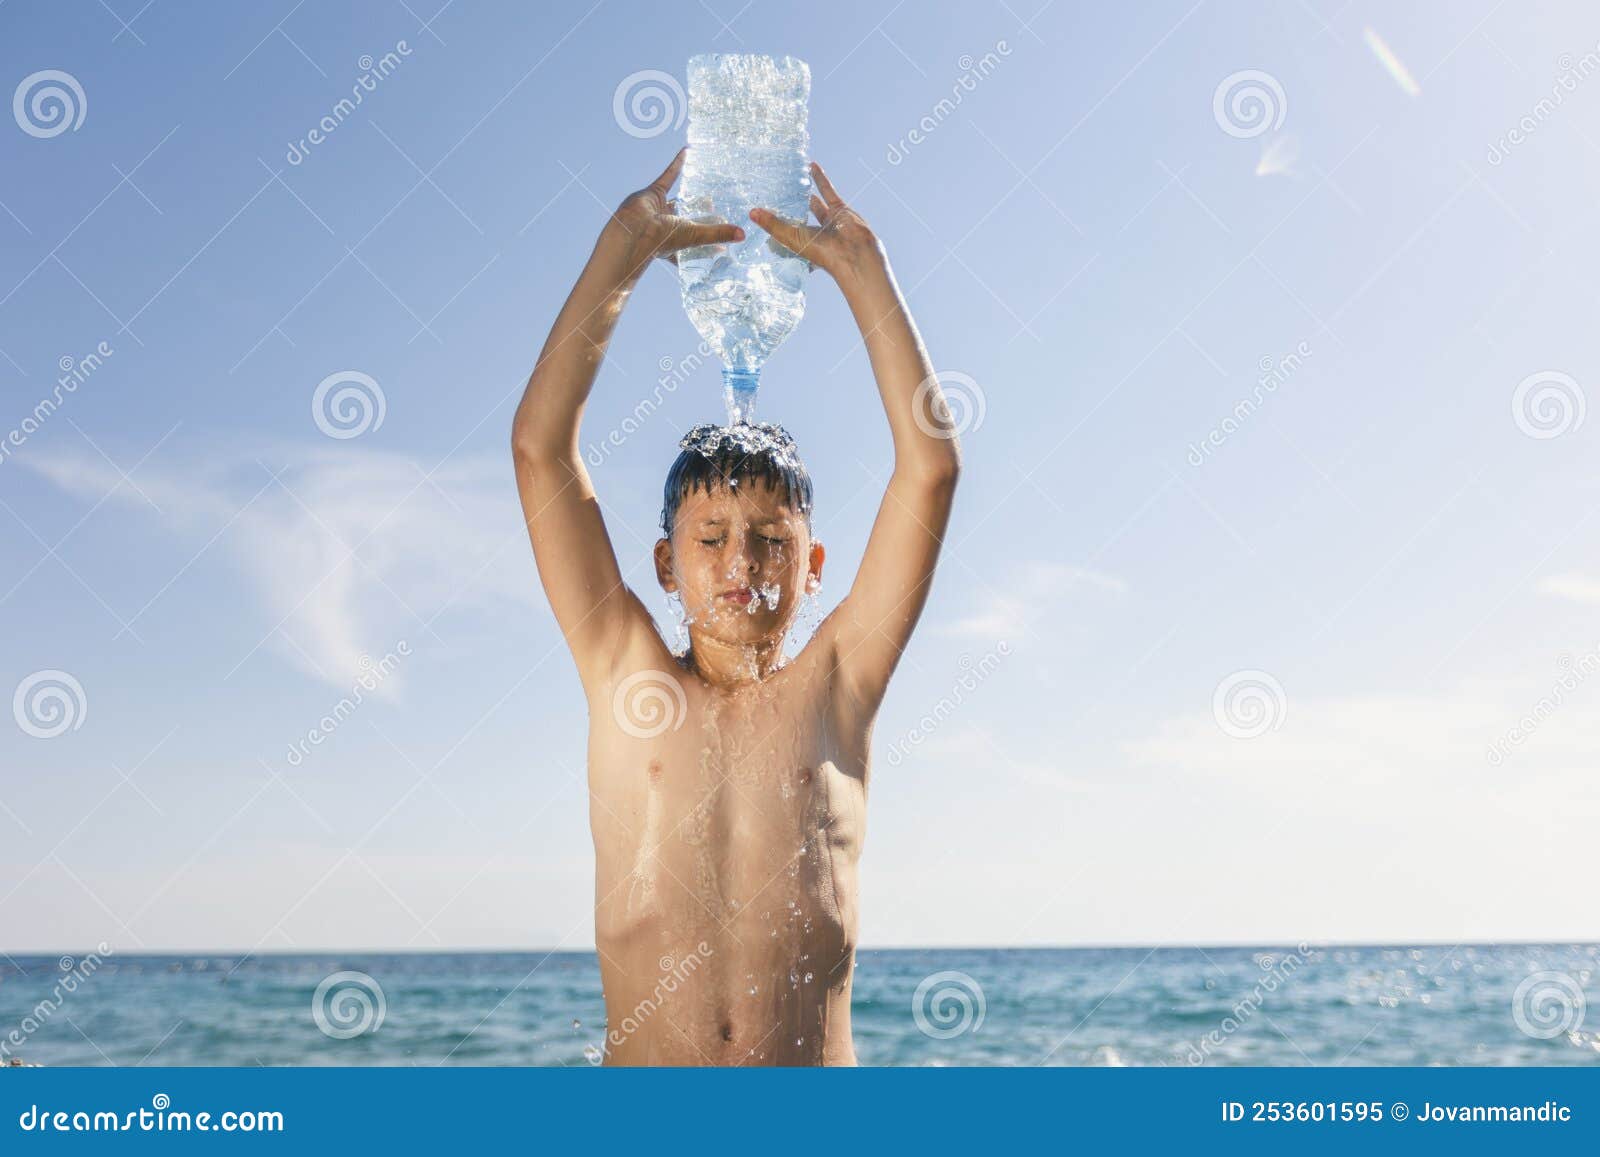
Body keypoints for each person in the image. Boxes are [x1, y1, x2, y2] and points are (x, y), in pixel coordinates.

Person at [511, 150, 962, 1064]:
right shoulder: (623, 670)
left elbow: (932, 466)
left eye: (771, 539)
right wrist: (623, 250)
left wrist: (863, 271)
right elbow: (540, 449)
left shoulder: (837, 685)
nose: (741, 562)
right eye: (710, 538)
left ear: (814, 565)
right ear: (665, 565)